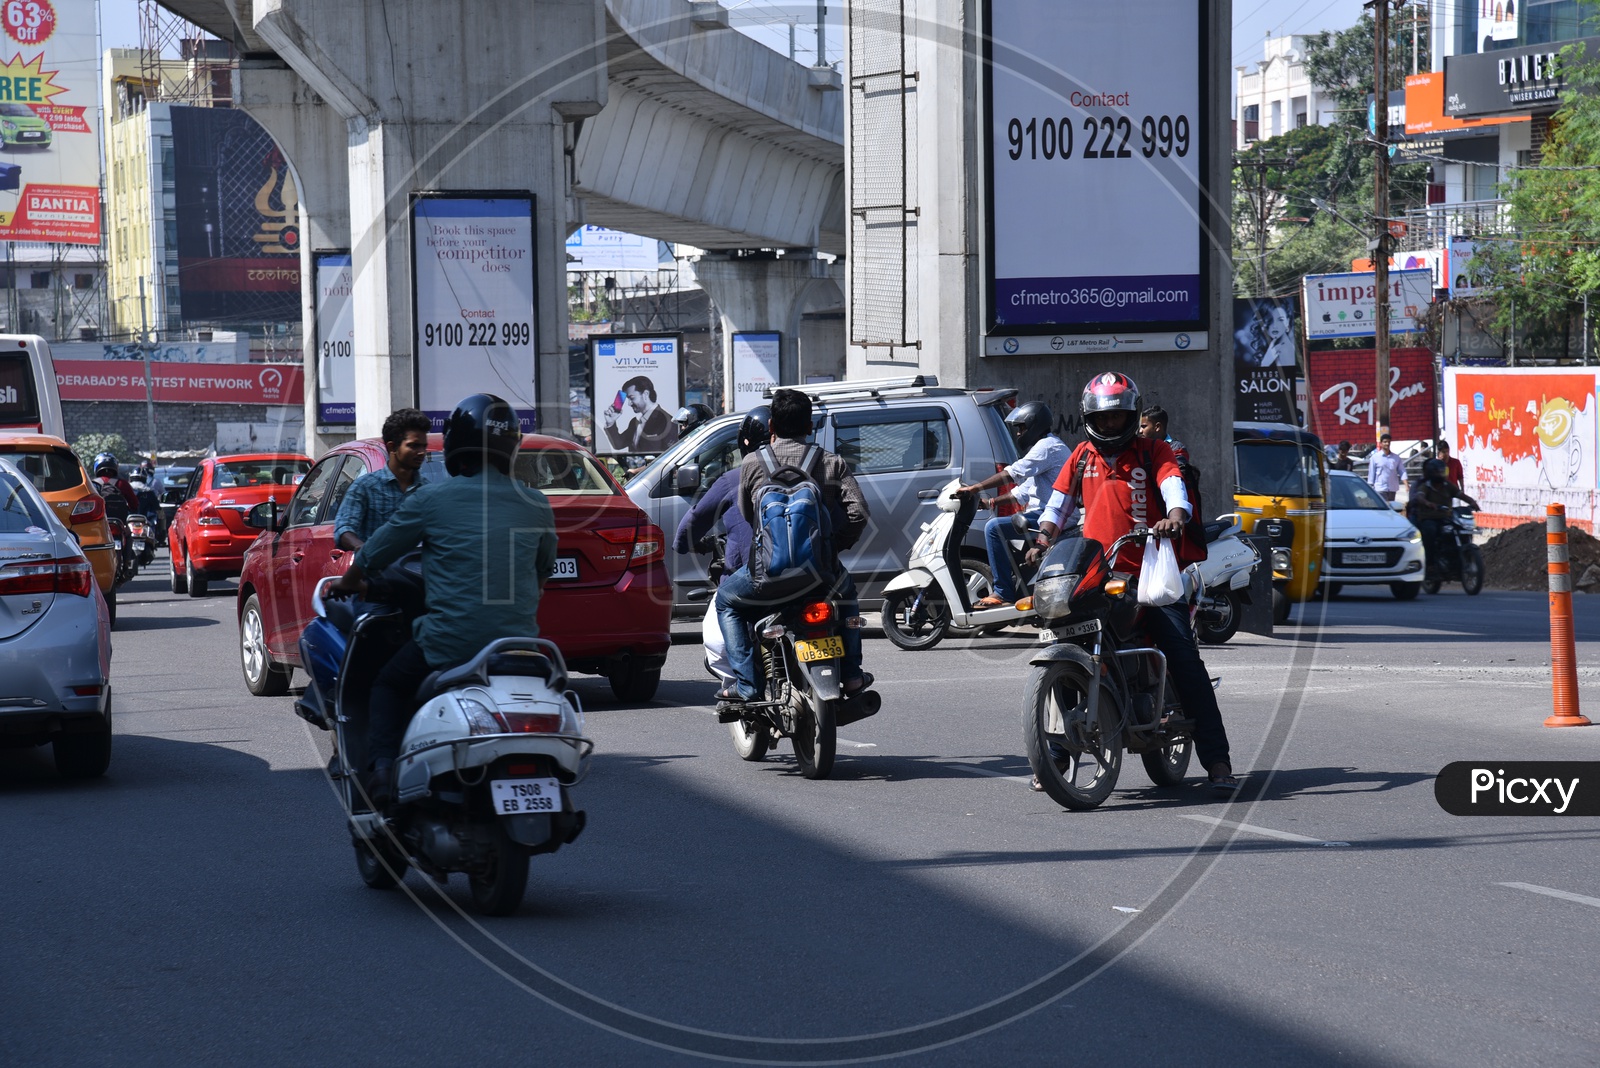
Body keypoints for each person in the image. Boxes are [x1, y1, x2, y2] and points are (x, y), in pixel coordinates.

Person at [326, 394, 559, 806]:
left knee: (388, 685)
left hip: (451, 643)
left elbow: (373, 553)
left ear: (455, 447)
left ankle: (381, 771)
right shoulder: (536, 503)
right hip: (521, 646)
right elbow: (542, 574)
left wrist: (350, 582)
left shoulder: (432, 498)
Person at [1027, 371, 1237, 795]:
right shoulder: (1082, 456)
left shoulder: (1153, 450)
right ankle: (1056, 758)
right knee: (1070, 644)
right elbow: (1058, 504)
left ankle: (1217, 761)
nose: (1109, 427)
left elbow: (1172, 485)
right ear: (1090, 418)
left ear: (1131, 417)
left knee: (1182, 655)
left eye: (1118, 419)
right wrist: (1043, 537)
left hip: (1150, 575)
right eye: (1102, 420)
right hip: (1097, 575)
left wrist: (1176, 516)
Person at [715, 388, 870, 704]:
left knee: (726, 601)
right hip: (822, 572)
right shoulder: (832, 462)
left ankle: (747, 685)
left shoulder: (752, 463)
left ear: (771, 426)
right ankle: (852, 675)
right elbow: (859, 512)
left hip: (767, 577)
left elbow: (749, 515)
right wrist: (831, 546)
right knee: (848, 597)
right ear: (810, 425)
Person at [674, 407, 770, 681]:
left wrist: (685, 545)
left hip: (750, 574)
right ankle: (851, 673)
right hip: (809, 571)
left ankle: (742, 684)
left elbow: (691, 523)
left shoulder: (734, 478)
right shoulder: (808, 469)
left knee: (717, 637)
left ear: (746, 442)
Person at [957, 401, 1069, 607]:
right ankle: (1020, 583)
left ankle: (1003, 592)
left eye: (1021, 428)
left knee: (993, 528)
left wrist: (974, 488)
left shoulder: (1047, 447)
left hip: (1050, 515)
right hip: (1043, 513)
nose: (1018, 434)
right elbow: (1021, 492)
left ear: (1035, 425)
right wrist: (990, 502)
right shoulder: (1046, 446)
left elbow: (1011, 473)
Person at [333, 408, 432, 551]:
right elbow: (344, 528)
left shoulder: (427, 491)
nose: (421, 452)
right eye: (413, 446)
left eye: (424, 446)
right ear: (392, 447)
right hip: (376, 571)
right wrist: (363, 548)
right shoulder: (365, 487)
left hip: (416, 571)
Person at [1408, 458, 1479, 579]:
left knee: (1460, 530)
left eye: (1442, 471)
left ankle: (1458, 558)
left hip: (1446, 517)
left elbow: (1460, 494)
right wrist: (1428, 503)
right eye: (1438, 472)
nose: (1441, 474)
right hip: (1429, 518)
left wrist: (1472, 502)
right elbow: (1420, 497)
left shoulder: (1447, 485)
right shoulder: (1425, 486)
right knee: (1430, 532)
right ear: (1431, 473)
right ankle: (1430, 564)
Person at [603, 375, 677, 454]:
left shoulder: (667, 421)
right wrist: (611, 422)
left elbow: (672, 454)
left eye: (631, 398)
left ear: (645, 394)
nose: (629, 403)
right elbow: (619, 445)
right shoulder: (634, 422)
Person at [89, 452, 139, 517]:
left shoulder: (92, 484)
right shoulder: (122, 483)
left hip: (99, 521)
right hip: (120, 521)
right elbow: (134, 505)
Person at [1367, 433, 1406, 502]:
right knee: (1384, 508)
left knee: (1391, 508)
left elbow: (1402, 471)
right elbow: (1371, 473)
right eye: (1385, 442)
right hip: (1380, 488)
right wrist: (1370, 487)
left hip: (1392, 488)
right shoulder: (1375, 458)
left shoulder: (1396, 458)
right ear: (1381, 444)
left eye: (1388, 442)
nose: (1387, 444)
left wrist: (1406, 484)